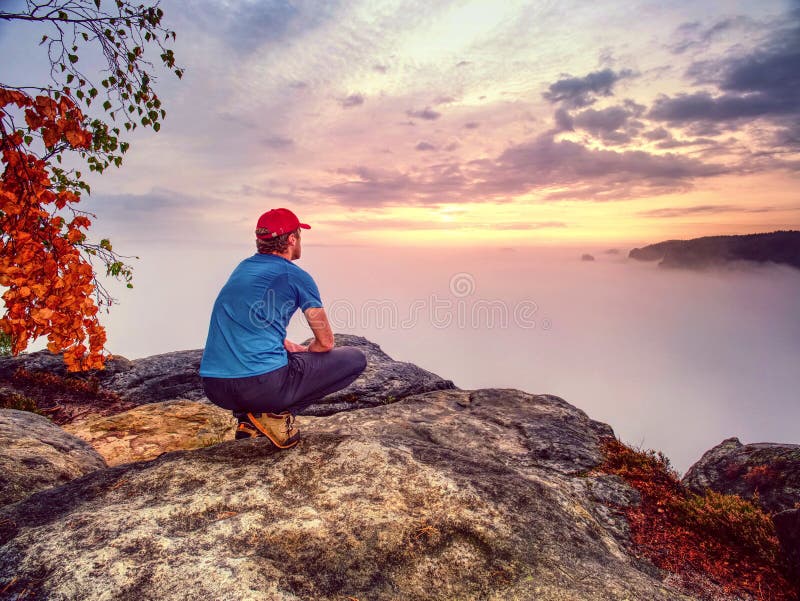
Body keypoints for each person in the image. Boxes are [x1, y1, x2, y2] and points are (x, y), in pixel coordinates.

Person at [199, 208, 367, 449]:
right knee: (355, 358)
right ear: (291, 239)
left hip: (215, 386)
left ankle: (247, 420)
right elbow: (326, 342)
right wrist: (306, 352)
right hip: (261, 385)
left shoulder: (243, 268)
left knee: (279, 358)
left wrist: (278, 343)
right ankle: (275, 416)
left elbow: (243, 316)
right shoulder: (294, 275)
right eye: (299, 235)